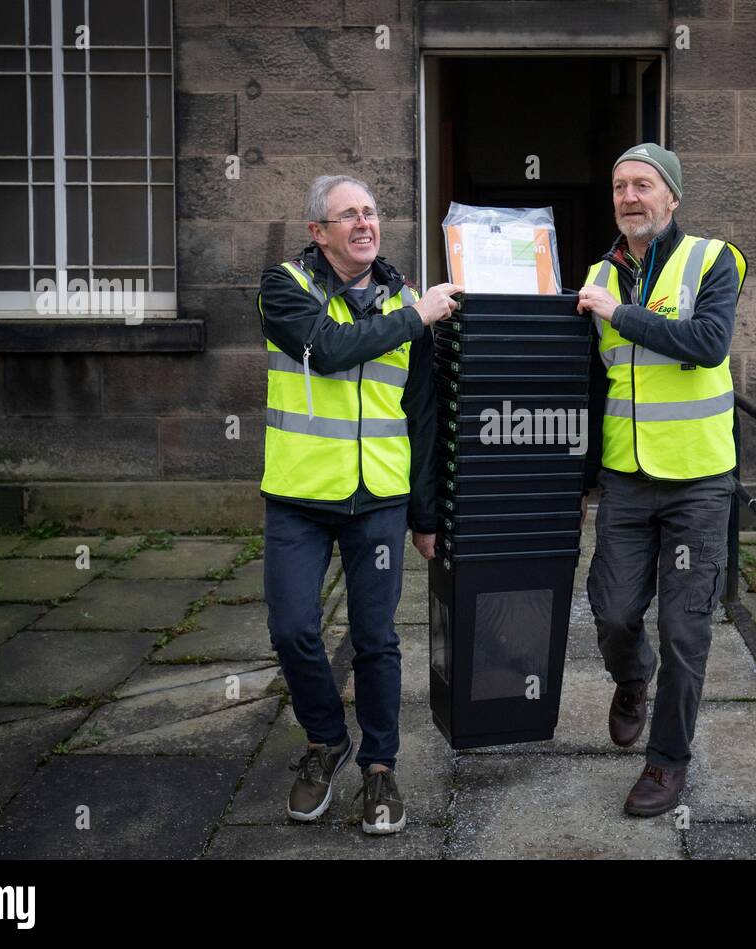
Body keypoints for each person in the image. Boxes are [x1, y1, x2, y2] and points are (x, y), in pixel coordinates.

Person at [256, 174, 460, 834]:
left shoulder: (404, 298)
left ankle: (379, 768)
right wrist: (415, 316)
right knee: (291, 627)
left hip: (379, 498)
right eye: (348, 215)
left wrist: (426, 515)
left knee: (376, 639)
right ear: (318, 232)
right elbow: (332, 350)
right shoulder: (285, 288)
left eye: (370, 211)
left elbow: (423, 413)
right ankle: (325, 738)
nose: (364, 222)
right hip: (300, 495)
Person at [576, 143, 748, 816]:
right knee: (614, 612)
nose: (628, 196)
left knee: (685, 629)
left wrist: (616, 313)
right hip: (625, 477)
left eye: (642, 184)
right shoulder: (598, 273)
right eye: (619, 186)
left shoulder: (712, 260)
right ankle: (631, 676)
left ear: (671, 197)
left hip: (699, 483)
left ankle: (667, 761)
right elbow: (591, 383)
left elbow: (707, 342)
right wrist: (575, 479)